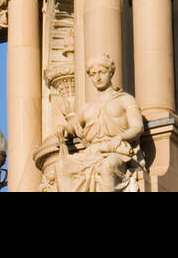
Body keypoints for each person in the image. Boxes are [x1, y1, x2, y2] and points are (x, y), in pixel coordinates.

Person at [54, 54, 145, 192]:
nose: (97, 77)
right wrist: (64, 128)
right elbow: (73, 127)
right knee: (62, 166)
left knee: (107, 167)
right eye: (93, 74)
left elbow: (137, 127)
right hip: (92, 153)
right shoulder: (87, 108)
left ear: (111, 73)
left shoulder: (125, 100)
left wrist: (120, 137)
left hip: (117, 152)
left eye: (101, 72)